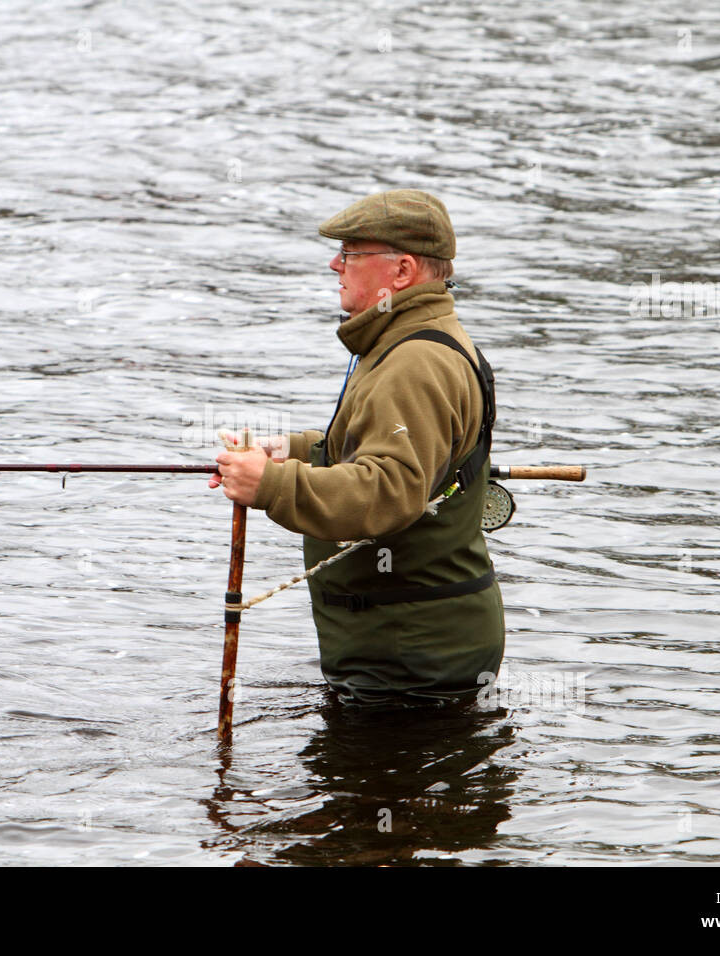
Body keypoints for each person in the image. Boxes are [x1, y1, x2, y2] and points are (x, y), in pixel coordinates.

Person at [211, 189, 504, 707]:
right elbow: (385, 446)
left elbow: (388, 488)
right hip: (408, 652)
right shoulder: (414, 338)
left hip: (411, 665)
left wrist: (270, 484)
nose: (334, 265)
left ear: (402, 271)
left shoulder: (417, 361)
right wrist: (293, 451)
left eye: (349, 254)